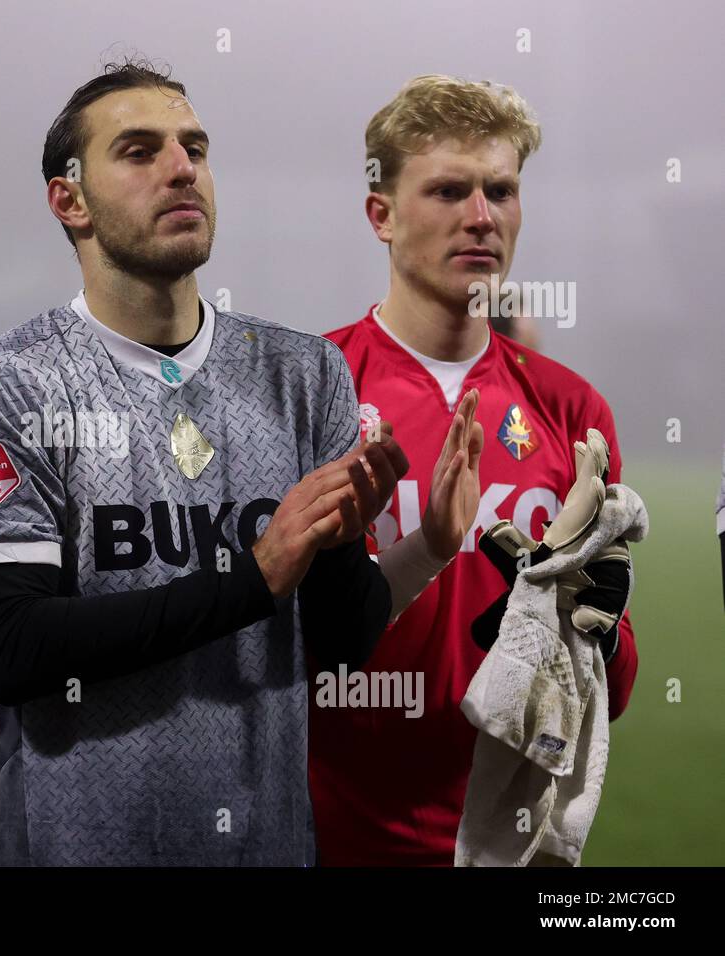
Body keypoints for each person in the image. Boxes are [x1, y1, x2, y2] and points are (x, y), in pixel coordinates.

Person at [0, 60, 476, 866]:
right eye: (140, 150)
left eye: (194, 146)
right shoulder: (7, 387)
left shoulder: (303, 374)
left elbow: (337, 635)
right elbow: (16, 648)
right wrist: (254, 577)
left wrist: (375, 547)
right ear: (69, 200)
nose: (182, 168)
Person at [312, 74, 639, 865]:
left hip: (515, 847)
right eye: (450, 190)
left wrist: (593, 628)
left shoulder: (572, 410)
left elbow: (615, 688)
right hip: (341, 842)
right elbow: (274, 651)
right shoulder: (315, 389)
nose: (482, 216)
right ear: (380, 214)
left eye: (501, 189)